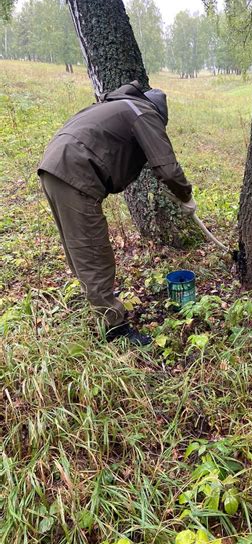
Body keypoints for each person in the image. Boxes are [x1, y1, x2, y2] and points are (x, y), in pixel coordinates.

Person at [38, 80, 196, 346]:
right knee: (92, 250)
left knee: (78, 247)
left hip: (54, 167)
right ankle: (114, 328)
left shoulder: (116, 106)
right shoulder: (143, 112)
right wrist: (185, 195)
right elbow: (167, 169)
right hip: (77, 172)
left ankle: (97, 298)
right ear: (159, 113)